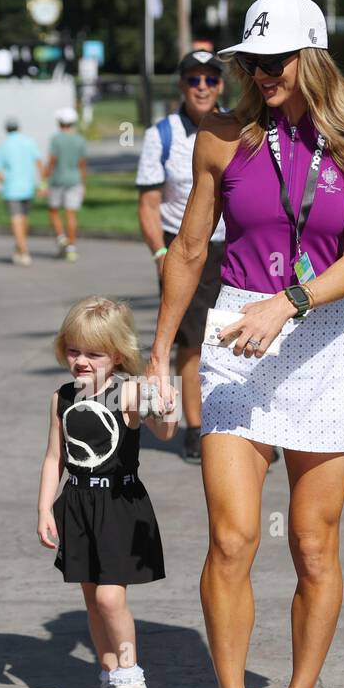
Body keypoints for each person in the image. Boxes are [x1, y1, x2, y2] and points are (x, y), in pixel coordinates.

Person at [149, 0, 344, 688]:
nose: (258, 73)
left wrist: (287, 305)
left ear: (312, 57)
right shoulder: (220, 140)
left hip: (318, 344)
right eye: (249, 61)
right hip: (232, 345)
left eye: (273, 59)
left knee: (313, 547)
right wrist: (157, 356)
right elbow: (187, 251)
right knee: (231, 538)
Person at [37, 296, 173, 688]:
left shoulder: (129, 391)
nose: (81, 361)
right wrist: (45, 506)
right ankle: (111, 677)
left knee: (110, 597)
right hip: (77, 504)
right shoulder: (60, 397)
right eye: (74, 350)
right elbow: (53, 457)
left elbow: (165, 430)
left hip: (118, 506)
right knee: (92, 601)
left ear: (117, 354)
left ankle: (133, 679)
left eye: (94, 354)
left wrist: (164, 404)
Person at [136, 49, 229, 465]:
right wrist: (160, 251)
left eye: (211, 79)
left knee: (236, 339)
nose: (203, 87)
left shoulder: (237, 127)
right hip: (183, 246)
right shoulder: (163, 134)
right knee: (191, 342)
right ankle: (195, 428)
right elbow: (149, 203)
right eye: (194, 79)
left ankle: (237, 426)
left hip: (232, 246)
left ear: (222, 85)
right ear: (182, 85)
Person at [0, 117, 43, 265]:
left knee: (16, 219)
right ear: (19, 127)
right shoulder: (29, 142)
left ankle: (23, 250)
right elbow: (39, 162)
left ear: (6, 129)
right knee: (24, 219)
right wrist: (43, 184)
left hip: (12, 188)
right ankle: (20, 247)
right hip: (28, 187)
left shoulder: (4, 145)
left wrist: (5, 181)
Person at [45, 107, 87, 262]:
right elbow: (82, 164)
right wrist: (83, 183)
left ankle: (61, 237)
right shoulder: (80, 140)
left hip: (57, 180)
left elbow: (52, 161)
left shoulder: (56, 139)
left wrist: (45, 176)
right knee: (71, 214)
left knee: (53, 210)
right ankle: (71, 247)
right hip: (75, 180)